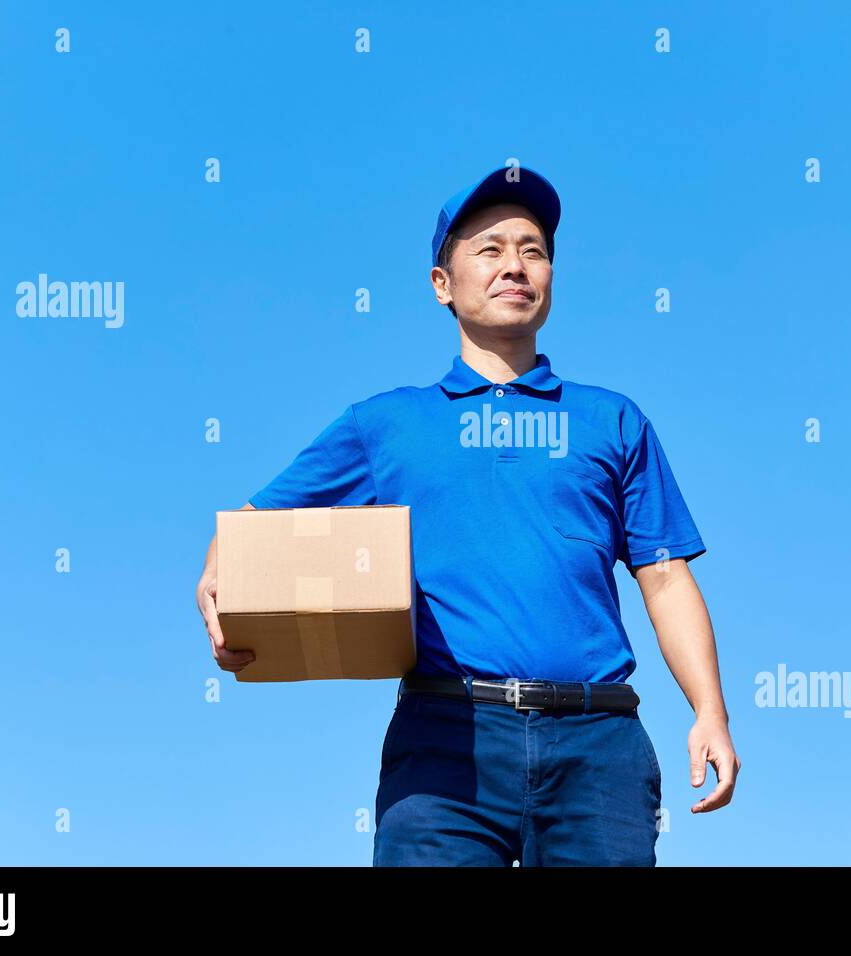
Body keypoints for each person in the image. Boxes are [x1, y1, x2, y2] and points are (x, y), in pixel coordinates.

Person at [195, 164, 741, 866]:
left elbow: (664, 579)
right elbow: (249, 529)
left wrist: (710, 711)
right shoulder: (385, 425)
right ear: (442, 284)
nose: (515, 265)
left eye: (533, 250)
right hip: (444, 741)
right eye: (490, 249)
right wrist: (217, 584)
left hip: (599, 742)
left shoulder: (613, 420)